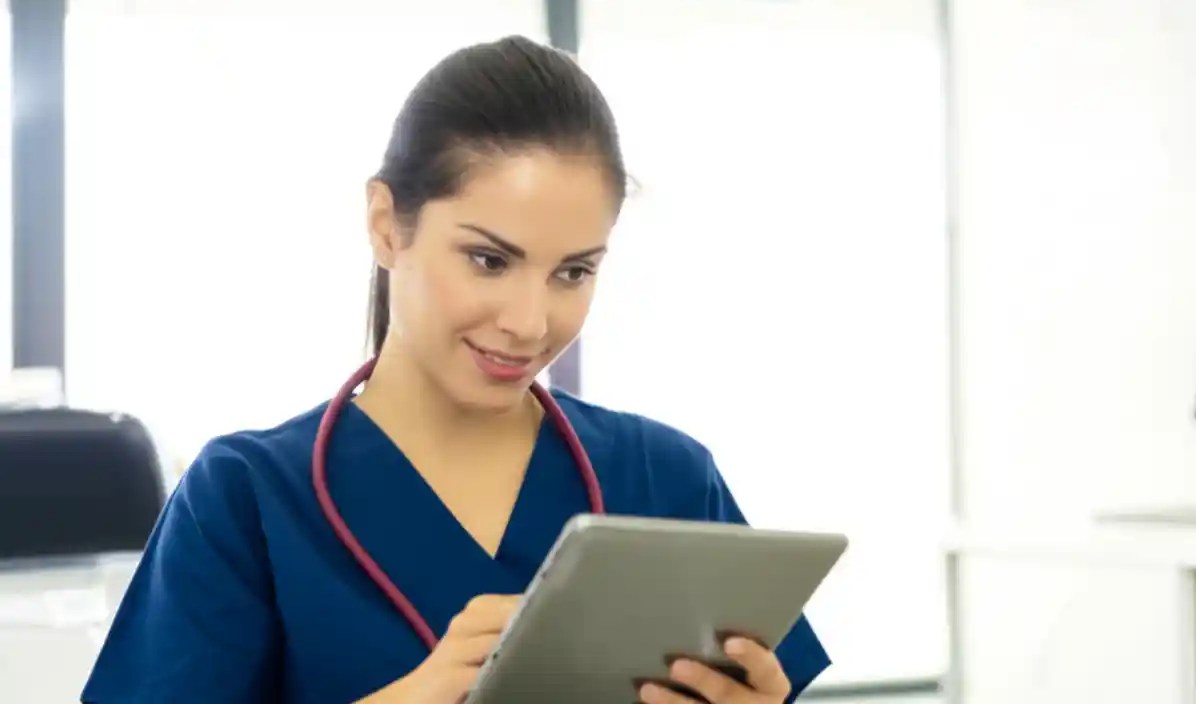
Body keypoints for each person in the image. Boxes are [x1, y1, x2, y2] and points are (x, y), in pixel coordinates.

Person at [81, 35, 830, 704]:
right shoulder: (246, 499)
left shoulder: (665, 480)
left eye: (573, 272)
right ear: (386, 226)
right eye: (489, 260)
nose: (530, 322)